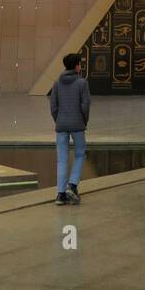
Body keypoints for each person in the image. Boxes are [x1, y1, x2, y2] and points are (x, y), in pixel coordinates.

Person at [49, 53, 91, 204]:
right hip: (77, 125)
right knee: (80, 154)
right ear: (76, 66)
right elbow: (85, 105)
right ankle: (72, 185)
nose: (80, 66)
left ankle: (60, 195)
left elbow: (53, 106)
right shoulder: (82, 83)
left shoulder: (56, 83)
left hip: (61, 126)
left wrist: (59, 120)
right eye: (80, 63)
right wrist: (83, 121)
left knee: (61, 160)